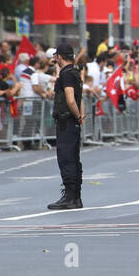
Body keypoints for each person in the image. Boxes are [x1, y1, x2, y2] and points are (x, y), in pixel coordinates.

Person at [48, 45, 85, 209]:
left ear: (60, 57)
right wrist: (80, 115)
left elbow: (70, 99)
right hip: (73, 121)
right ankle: (75, 197)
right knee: (74, 158)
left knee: (66, 158)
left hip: (66, 121)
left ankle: (69, 197)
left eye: (56, 56)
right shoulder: (75, 73)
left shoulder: (67, 75)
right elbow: (79, 98)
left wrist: (76, 115)